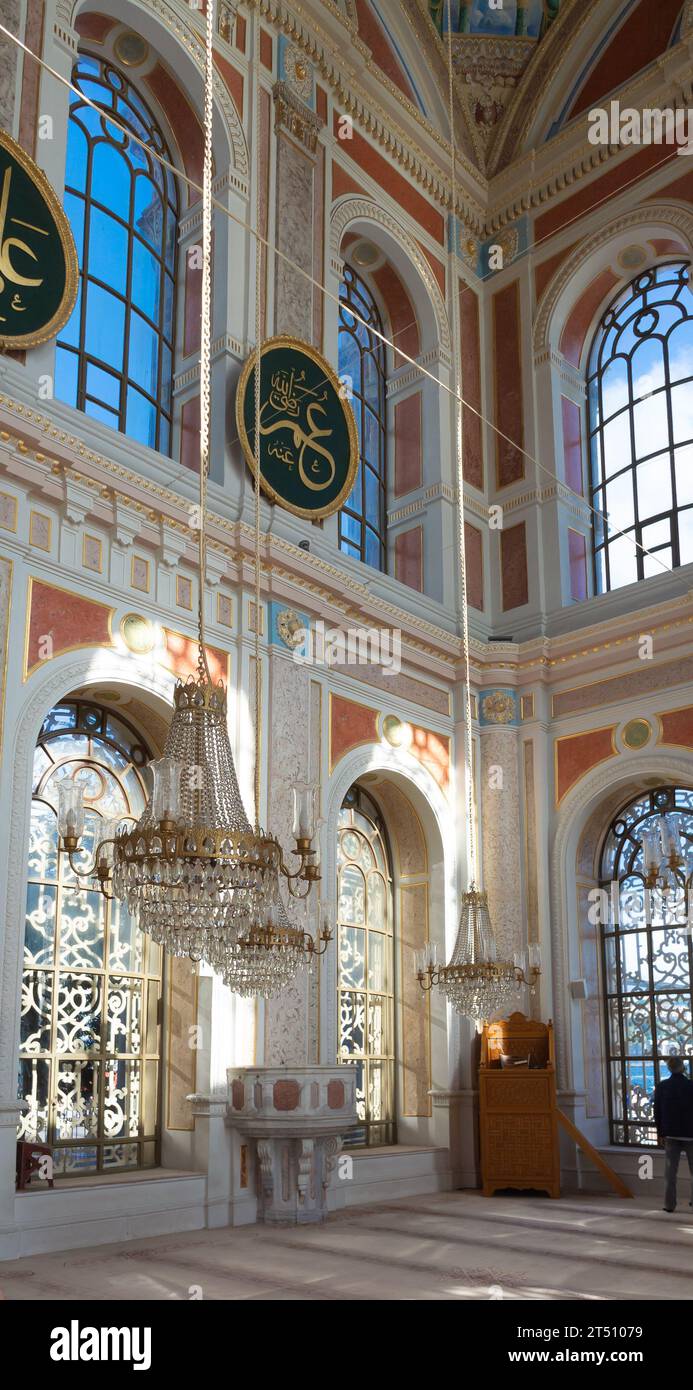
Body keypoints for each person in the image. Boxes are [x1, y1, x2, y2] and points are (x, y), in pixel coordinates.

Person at [653, 1056, 693, 1212]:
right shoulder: (691, 1086)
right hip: (691, 1134)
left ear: (669, 1069)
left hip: (670, 1135)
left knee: (670, 1174)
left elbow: (657, 1112)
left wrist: (660, 1133)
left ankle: (669, 1205)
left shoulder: (662, 1087)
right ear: (682, 1068)